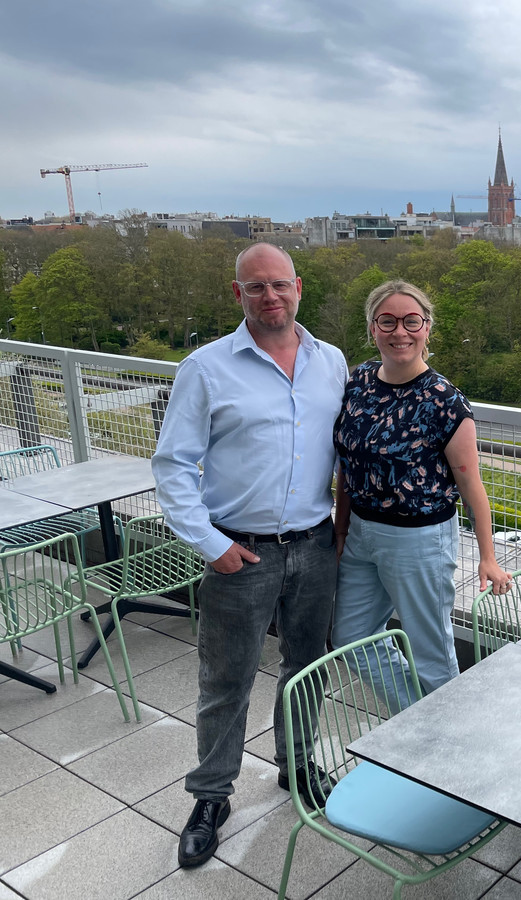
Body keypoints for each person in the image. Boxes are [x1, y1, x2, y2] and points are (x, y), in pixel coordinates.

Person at [152, 243, 348, 869]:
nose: (271, 297)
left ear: (299, 288)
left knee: (305, 666)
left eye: (280, 285)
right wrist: (212, 546)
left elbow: (346, 452)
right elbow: (173, 466)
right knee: (225, 680)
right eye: (256, 287)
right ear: (237, 294)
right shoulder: (206, 368)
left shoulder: (332, 361)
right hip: (241, 552)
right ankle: (212, 796)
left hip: (316, 547)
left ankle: (296, 766)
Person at [332, 279, 510, 712]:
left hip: (419, 541)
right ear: (372, 329)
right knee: (350, 639)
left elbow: (472, 486)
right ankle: (422, 723)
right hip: (360, 534)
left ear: (427, 328)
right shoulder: (357, 382)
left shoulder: (445, 402)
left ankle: (446, 750)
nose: (400, 332)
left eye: (412, 321)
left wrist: (487, 555)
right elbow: (347, 469)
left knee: (432, 656)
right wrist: (340, 531)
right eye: (387, 321)